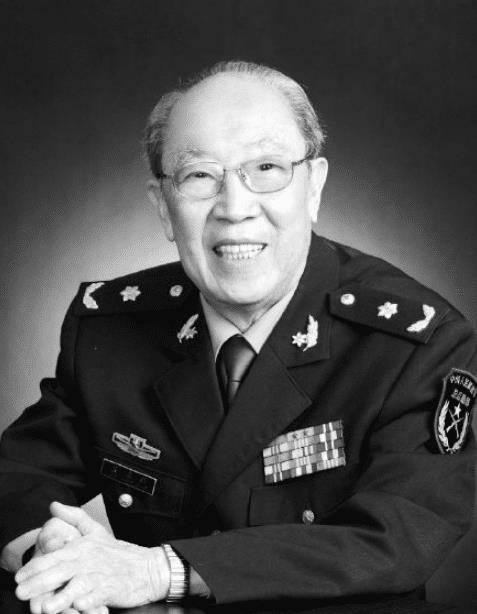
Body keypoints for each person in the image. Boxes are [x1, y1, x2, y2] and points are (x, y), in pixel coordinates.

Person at [0, 60, 476, 614]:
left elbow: (397, 536)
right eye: (200, 176)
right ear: (163, 205)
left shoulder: (415, 343)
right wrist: (50, 549)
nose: (235, 209)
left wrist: (159, 570)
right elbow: (20, 476)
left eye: (266, 168)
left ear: (314, 186)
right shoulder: (113, 330)